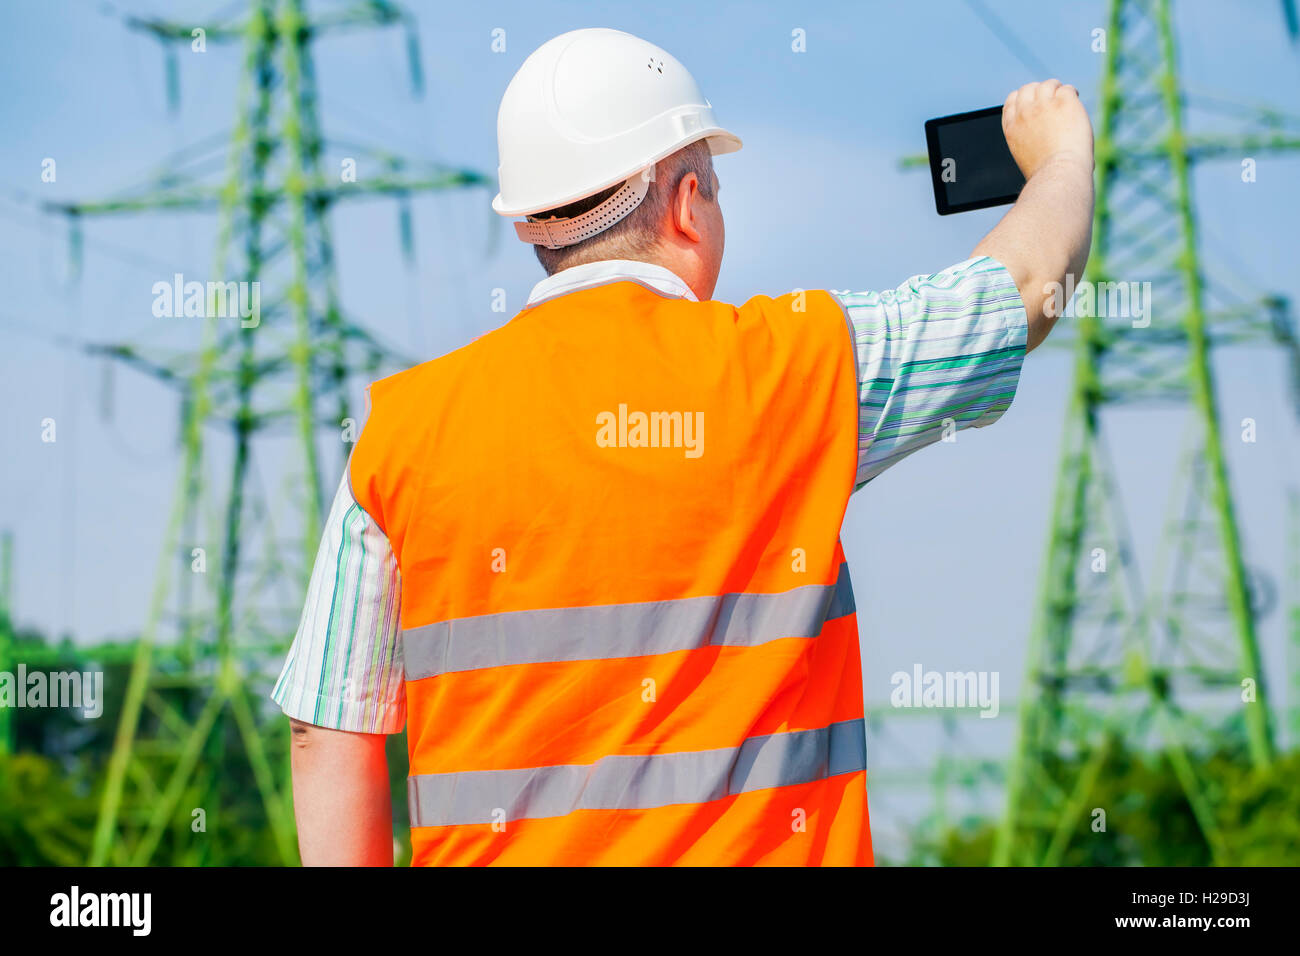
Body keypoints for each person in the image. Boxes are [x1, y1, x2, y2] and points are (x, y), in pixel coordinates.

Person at [273, 27, 1094, 866]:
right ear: (685, 202)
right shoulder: (790, 369)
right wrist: (1062, 158)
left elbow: (326, 726)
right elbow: (1023, 288)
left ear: (531, 225)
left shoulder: (405, 429)